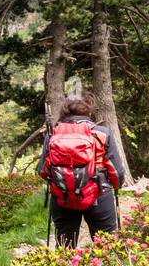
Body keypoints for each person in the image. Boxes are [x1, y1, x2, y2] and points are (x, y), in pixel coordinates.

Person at [37, 92, 126, 248]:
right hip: (98, 194)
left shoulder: (52, 135)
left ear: (64, 112)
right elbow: (116, 172)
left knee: (65, 246)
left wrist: (64, 181)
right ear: (89, 111)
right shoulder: (101, 133)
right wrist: (116, 186)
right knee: (107, 246)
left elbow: (43, 171)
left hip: (62, 197)